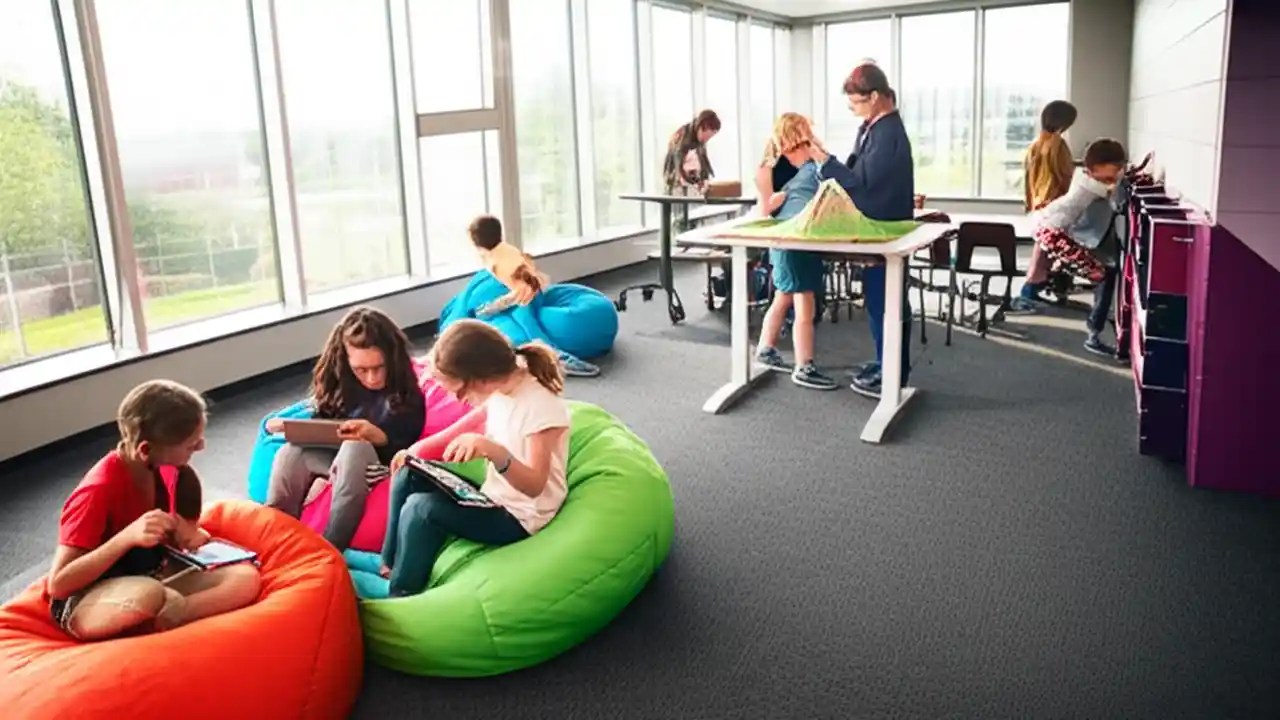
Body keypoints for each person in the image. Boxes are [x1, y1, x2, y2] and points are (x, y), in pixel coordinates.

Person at [45, 380, 260, 640]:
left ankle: (169, 617)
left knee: (245, 578)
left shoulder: (164, 471)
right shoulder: (97, 491)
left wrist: (182, 534)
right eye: (191, 445)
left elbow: (160, 543)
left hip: (146, 576)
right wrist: (126, 538)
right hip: (89, 598)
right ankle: (163, 614)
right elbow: (59, 584)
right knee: (149, 594)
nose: (201, 447)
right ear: (145, 450)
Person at [374, 320, 570, 597]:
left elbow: (535, 485)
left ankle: (400, 592)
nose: (459, 400)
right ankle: (388, 564)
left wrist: (492, 450)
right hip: (494, 495)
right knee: (409, 472)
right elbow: (473, 420)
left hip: (521, 516)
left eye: (460, 392)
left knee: (422, 508)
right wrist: (418, 450)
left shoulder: (539, 407)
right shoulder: (504, 385)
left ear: (481, 379)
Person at [265, 306, 426, 551]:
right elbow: (324, 418)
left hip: (379, 462)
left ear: (391, 359)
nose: (372, 378)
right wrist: (293, 428)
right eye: (361, 370)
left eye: (379, 367)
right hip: (335, 456)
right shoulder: (338, 380)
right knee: (291, 451)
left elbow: (408, 444)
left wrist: (377, 436)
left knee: (355, 447)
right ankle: (276, 532)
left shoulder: (407, 392)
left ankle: (331, 546)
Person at [808, 63, 915, 398]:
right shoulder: (873, 128)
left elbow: (862, 184)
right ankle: (886, 363)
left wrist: (825, 162)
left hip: (883, 232)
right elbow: (857, 172)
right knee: (879, 304)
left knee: (887, 305)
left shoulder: (888, 133)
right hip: (876, 232)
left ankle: (892, 373)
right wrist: (828, 163)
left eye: (856, 102)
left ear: (875, 96)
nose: (853, 109)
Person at [753, 113, 837, 390]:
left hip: (793, 239)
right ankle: (804, 365)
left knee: (784, 296)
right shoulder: (797, 165)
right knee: (804, 304)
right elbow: (766, 207)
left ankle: (765, 349)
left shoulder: (798, 163)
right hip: (794, 239)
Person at [467, 214, 599, 378]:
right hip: (533, 293)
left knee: (531, 331)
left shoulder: (496, 262)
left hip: (526, 299)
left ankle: (561, 360)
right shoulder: (507, 249)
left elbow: (520, 291)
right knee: (498, 315)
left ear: (477, 242)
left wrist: (498, 304)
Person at [1031, 137, 1128, 357]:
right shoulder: (1090, 185)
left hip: (1053, 228)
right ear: (1091, 169)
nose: (1112, 179)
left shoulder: (1083, 175)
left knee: (1103, 273)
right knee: (1103, 274)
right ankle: (1094, 334)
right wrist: (1124, 176)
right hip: (1053, 232)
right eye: (1107, 176)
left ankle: (1063, 283)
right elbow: (1114, 198)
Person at [1008, 100, 1079, 314]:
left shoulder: (1036, 144)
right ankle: (1031, 290)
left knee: (1045, 249)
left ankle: (1040, 287)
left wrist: (1030, 203)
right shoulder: (1058, 145)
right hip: (1055, 204)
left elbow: (1029, 178)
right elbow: (1066, 176)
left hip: (1039, 205)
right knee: (1049, 253)